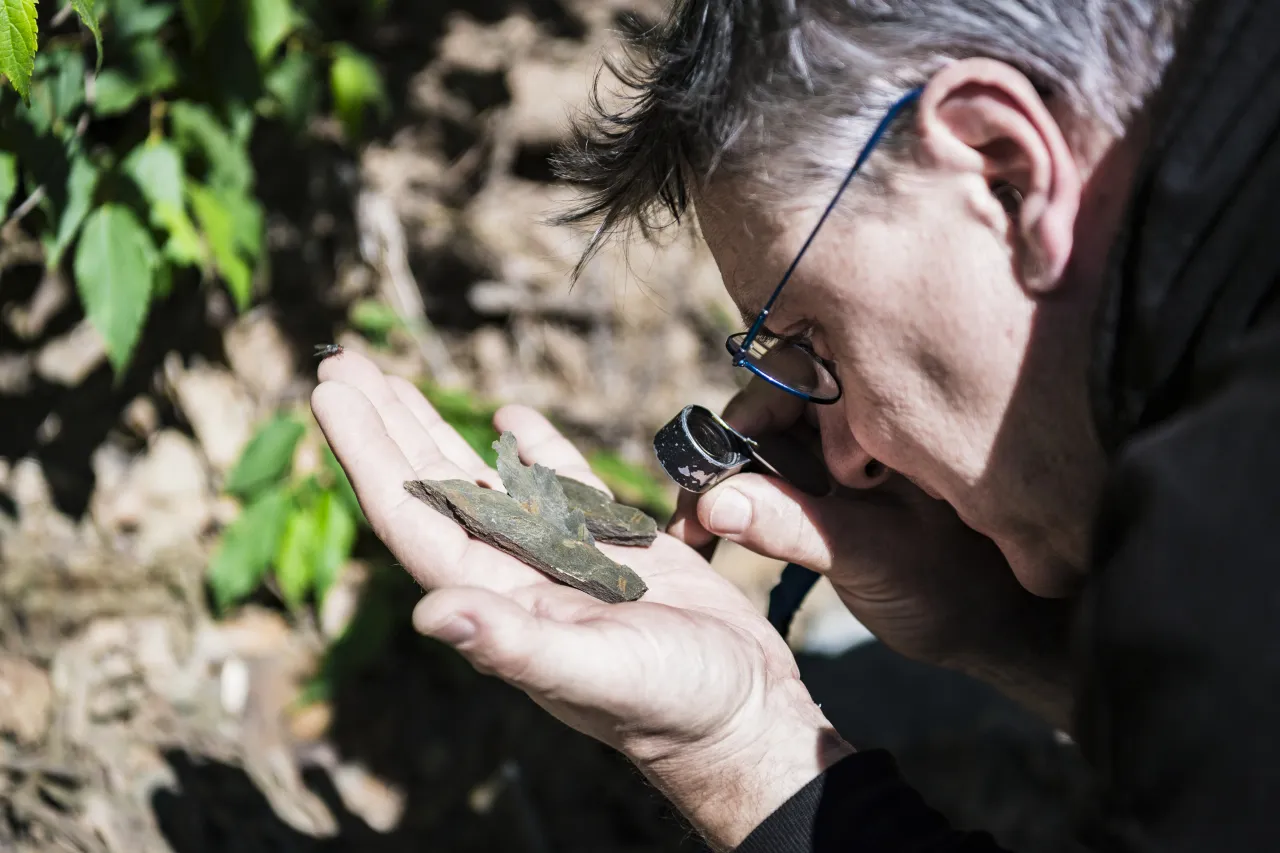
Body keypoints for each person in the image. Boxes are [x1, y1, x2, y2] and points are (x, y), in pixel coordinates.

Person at [311, 0, 1280, 848]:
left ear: (1001, 171)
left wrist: (733, 741)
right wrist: (1005, 635)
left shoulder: (1226, 518)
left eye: (815, 338)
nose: (846, 455)